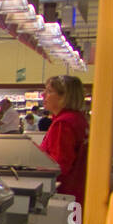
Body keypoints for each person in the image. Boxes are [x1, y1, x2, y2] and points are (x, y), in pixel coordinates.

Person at [38, 75, 90, 206]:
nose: (43, 95)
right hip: (78, 191)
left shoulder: (63, 123)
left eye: (49, 91)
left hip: (63, 194)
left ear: (64, 97)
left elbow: (59, 164)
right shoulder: (78, 119)